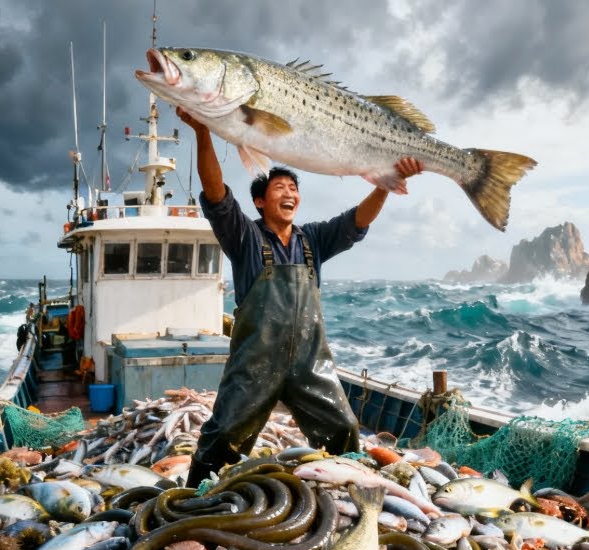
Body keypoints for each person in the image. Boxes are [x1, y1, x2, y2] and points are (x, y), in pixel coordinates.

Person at [177, 107, 424, 488]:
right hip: (254, 367)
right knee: (223, 435)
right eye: (280, 188)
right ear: (260, 202)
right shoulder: (245, 237)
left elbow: (359, 220)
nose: (289, 193)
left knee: (343, 430)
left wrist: (386, 183)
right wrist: (202, 132)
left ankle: (346, 498)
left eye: (294, 189)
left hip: (311, 364)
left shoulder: (312, 240)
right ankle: (194, 498)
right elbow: (216, 194)